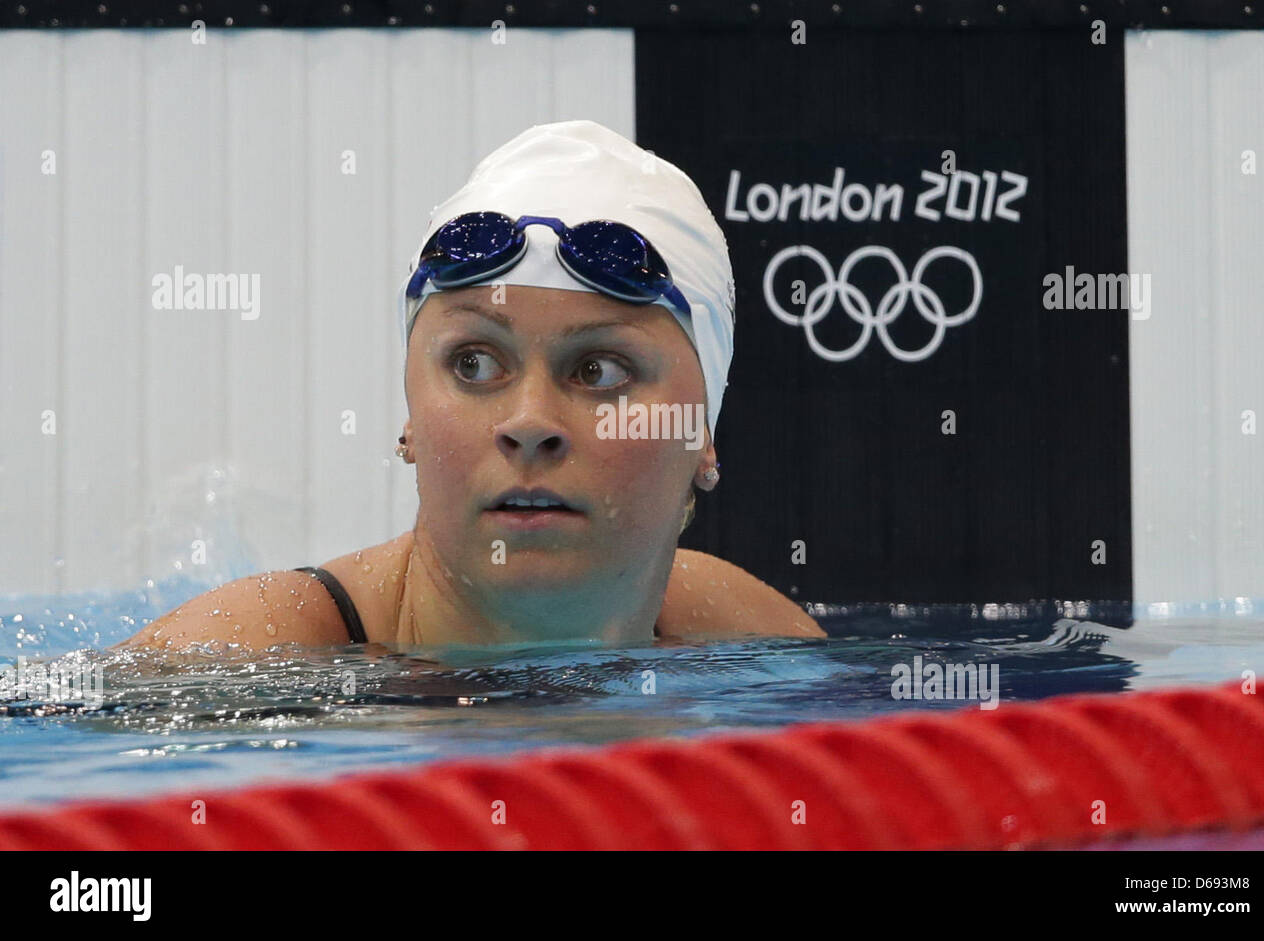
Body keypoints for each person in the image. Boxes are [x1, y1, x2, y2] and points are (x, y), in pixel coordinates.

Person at [122, 120, 824, 651]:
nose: (528, 421)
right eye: (474, 364)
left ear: (701, 435)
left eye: (599, 371)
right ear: (409, 421)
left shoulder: (757, 644)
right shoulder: (235, 659)